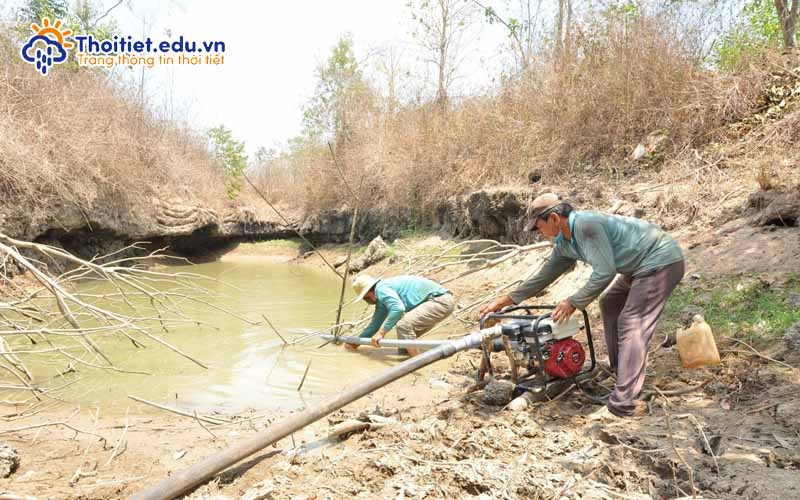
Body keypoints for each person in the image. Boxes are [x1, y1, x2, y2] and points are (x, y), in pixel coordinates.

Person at [478, 193, 685, 418]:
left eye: (539, 228)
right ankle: (621, 369)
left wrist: (573, 302)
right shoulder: (564, 242)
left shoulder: (586, 226)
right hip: (637, 267)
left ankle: (624, 402)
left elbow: (604, 272)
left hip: (660, 261)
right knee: (610, 303)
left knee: (631, 322)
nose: (540, 234)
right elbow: (544, 276)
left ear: (555, 219)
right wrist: (505, 301)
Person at [345, 274, 455, 357]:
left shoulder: (381, 289)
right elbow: (374, 325)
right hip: (434, 303)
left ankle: (418, 364)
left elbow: (398, 309)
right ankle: (410, 361)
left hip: (440, 301)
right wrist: (355, 343)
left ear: (368, 292)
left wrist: (381, 333)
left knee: (403, 324)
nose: (366, 301)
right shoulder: (381, 301)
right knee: (403, 348)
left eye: (365, 298)